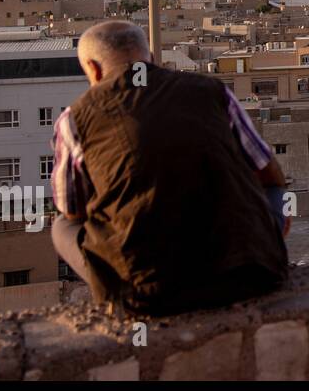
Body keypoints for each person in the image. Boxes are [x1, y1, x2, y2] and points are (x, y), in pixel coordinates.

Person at [50, 20, 290, 316]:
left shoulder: (74, 120)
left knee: (61, 226)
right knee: (275, 191)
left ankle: (113, 289)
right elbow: (270, 174)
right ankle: (263, 246)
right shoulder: (211, 92)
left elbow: (72, 209)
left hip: (148, 294)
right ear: (148, 57)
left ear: (93, 68)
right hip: (251, 275)